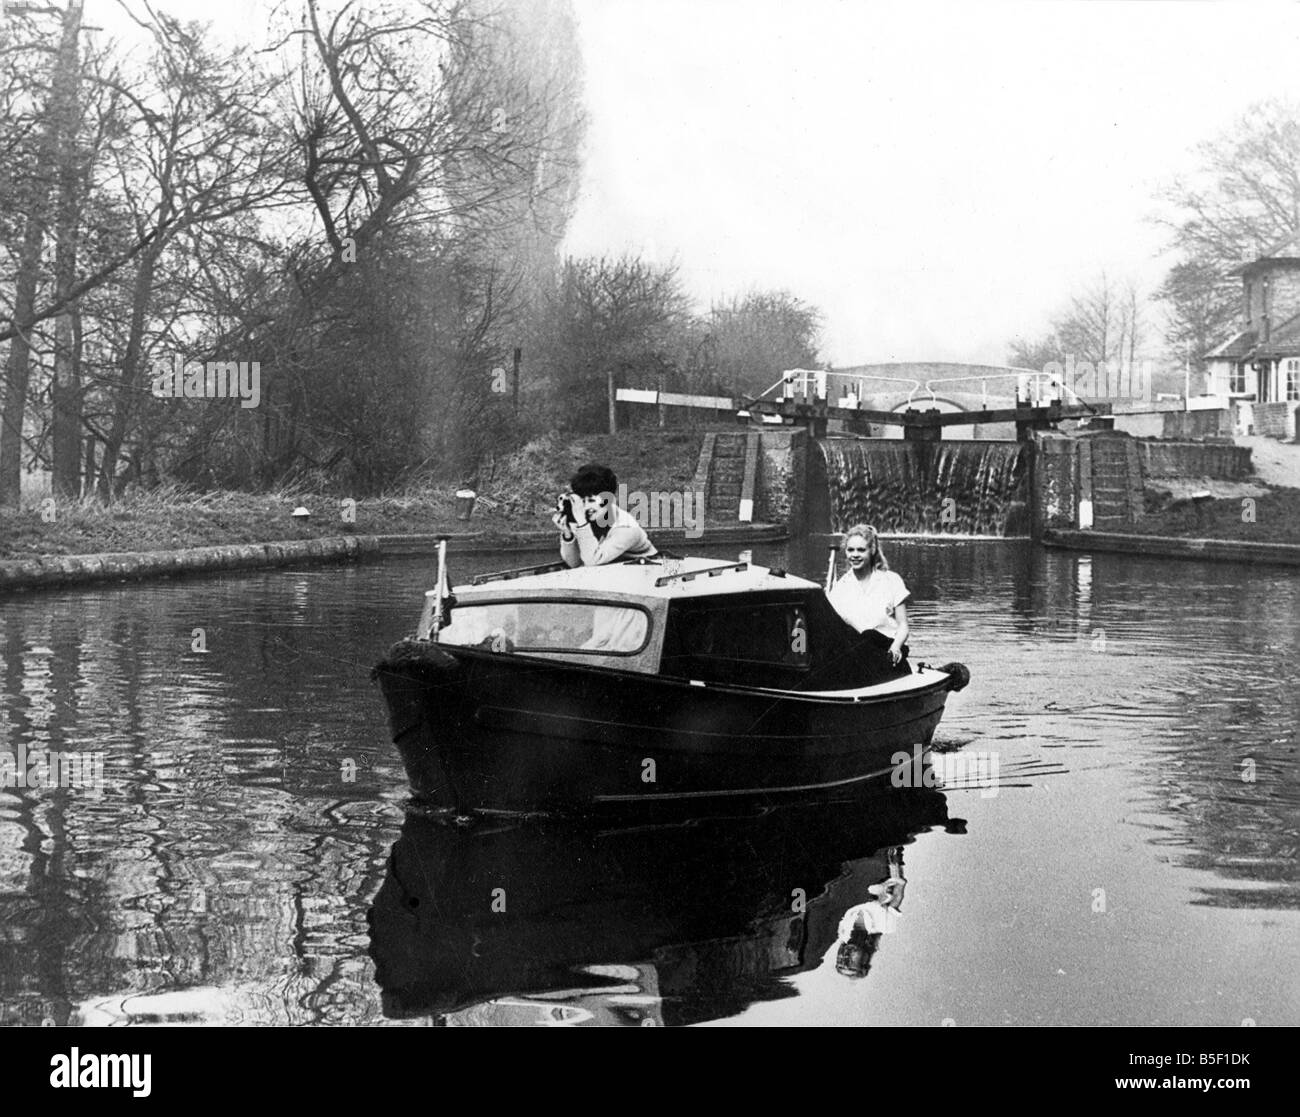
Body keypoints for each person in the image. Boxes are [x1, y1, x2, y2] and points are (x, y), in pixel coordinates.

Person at [827, 523, 911, 679]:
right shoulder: (839, 588)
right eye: (850, 550)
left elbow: (903, 626)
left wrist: (896, 647)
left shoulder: (892, 580)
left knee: (870, 636)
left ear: (872, 550)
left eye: (861, 550)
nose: (855, 555)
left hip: (887, 652)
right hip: (855, 659)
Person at [554, 464, 658, 568]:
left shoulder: (626, 528)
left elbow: (592, 561)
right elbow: (575, 564)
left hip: (648, 571)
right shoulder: (588, 519)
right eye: (582, 501)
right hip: (614, 572)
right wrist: (568, 535)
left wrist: (582, 525)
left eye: (591, 500)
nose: (585, 507)